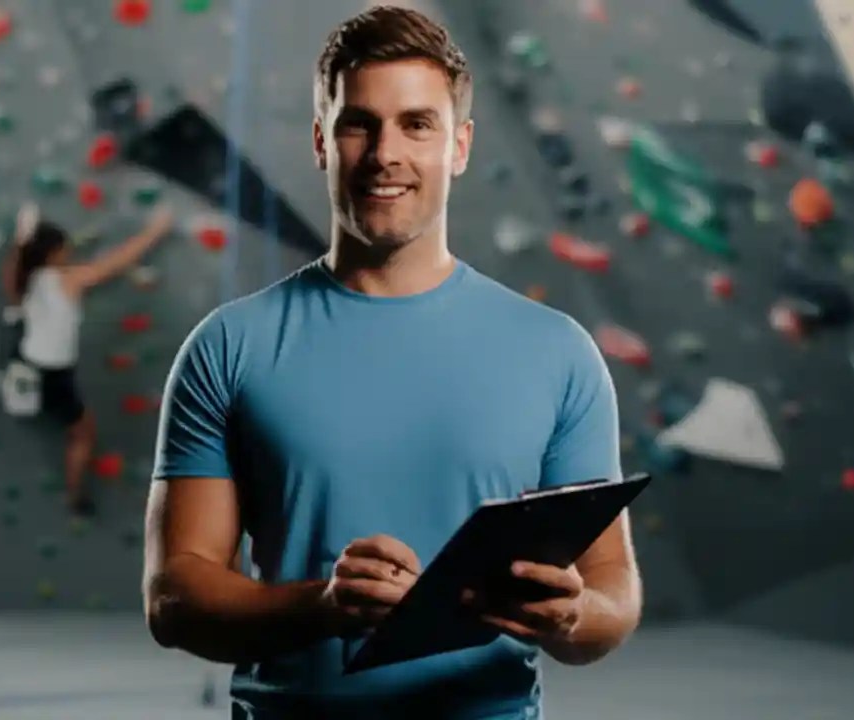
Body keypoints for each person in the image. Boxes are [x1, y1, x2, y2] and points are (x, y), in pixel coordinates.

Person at [143, 6, 641, 718]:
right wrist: (323, 605)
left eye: (417, 124)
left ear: (459, 145)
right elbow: (174, 596)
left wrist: (571, 616)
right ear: (322, 140)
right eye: (358, 124)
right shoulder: (228, 347)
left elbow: (612, 595)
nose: (385, 154)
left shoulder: (558, 352)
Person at [3, 203, 173, 517]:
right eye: (64, 248)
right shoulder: (69, 281)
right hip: (54, 374)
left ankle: (33, 407)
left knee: (61, 416)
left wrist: (20, 237)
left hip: (27, 362)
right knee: (84, 433)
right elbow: (118, 261)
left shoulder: (26, 279)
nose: (69, 251)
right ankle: (75, 496)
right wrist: (156, 231)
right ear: (53, 254)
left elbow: (14, 270)